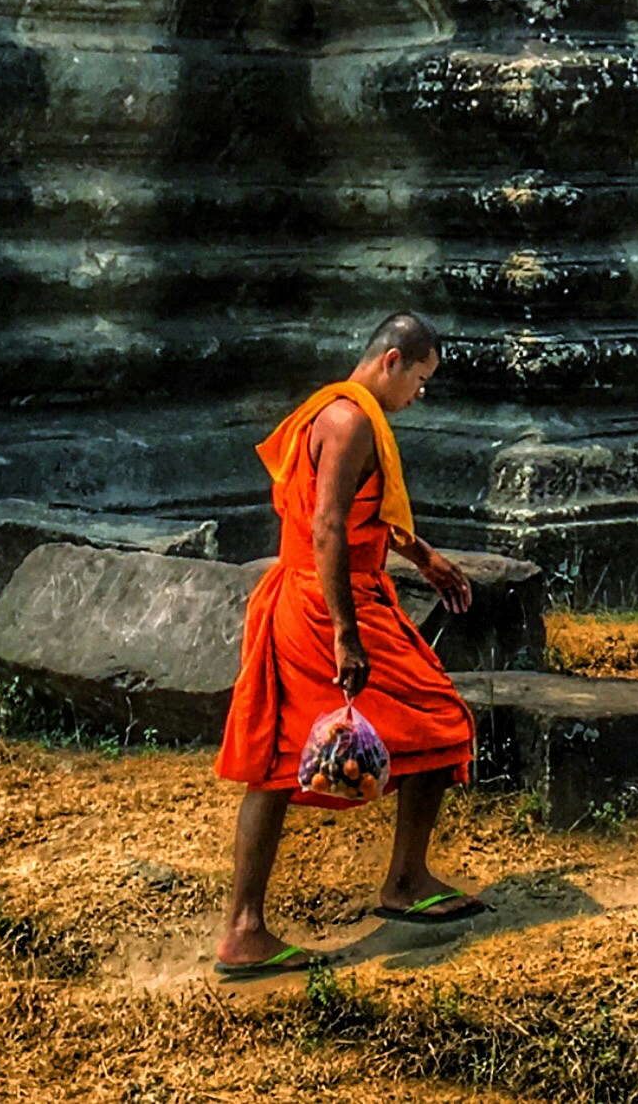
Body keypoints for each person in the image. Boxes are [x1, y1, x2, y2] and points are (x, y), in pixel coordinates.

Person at [211, 312, 484, 978]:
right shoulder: (351, 421)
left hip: (306, 597)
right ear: (392, 361)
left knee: (276, 763)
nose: (419, 394)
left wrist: (425, 558)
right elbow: (328, 527)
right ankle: (404, 882)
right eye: (419, 379)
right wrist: (344, 633)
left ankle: (248, 928)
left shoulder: (332, 412)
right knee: (443, 720)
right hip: (323, 605)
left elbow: (367, 514)